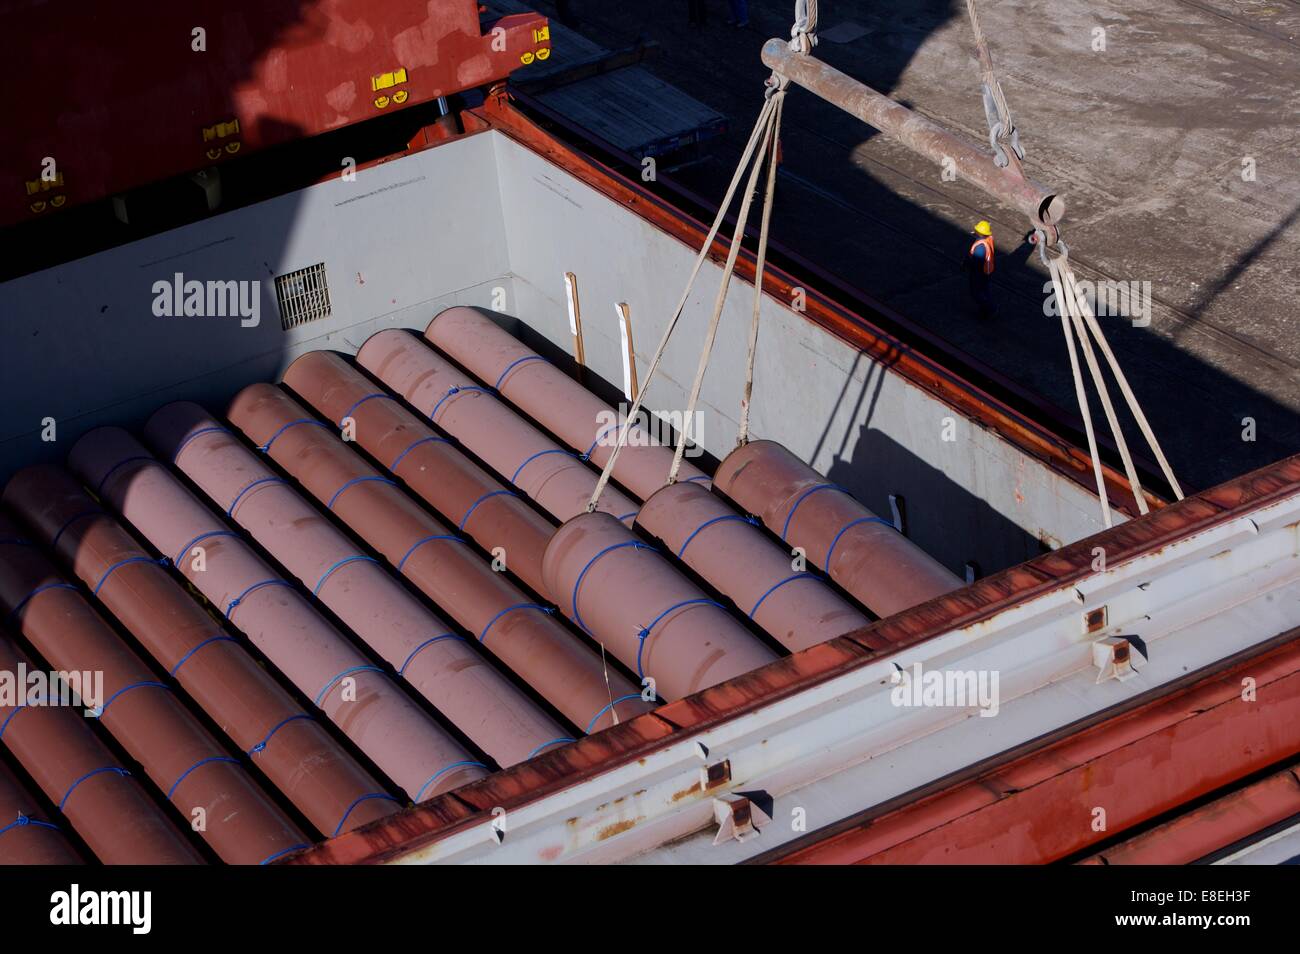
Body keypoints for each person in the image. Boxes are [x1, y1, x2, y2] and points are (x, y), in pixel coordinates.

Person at [966, 220, 996, 319]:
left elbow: (976, 263)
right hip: (987, 271)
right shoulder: (988, 239)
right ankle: (988, 308)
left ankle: (988, 309)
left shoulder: (980, 247)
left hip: (979, 273)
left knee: (976, 292)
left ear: (980, 233)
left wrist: (967, 266)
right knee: (985, 290)